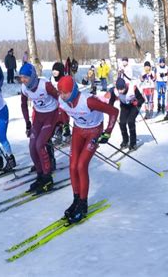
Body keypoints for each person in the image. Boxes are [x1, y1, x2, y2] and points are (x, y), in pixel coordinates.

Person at [57, 75, 118, 224]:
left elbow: (114, 112)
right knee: (72, 166)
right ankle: (76, 200)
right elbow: (63, 111)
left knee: (81, 165)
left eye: (64, 92)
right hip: (78, 130)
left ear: (72, 91)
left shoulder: (88, 101)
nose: (62, 96)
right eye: (60, 92)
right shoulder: (63, 101)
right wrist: (65, 125)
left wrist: (108, 132)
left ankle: (83, 205)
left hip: (94, 131)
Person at [19, 63, 59, 193]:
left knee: (40, 145)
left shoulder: (44, 84)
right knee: (32, 147)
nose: (23, 80)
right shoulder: (24, 88)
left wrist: (62, 118)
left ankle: (48, 178)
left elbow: (59, 97)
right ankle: (40, 175)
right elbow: (23, 105)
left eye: (26, 77)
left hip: (51, 115)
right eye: (21, 77)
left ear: (33, 76)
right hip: (38, 118)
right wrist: (27, 123)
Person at [108, 78, 144, 150]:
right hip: (124, 106)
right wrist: (110, 110)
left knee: (130, 121)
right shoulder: (115, 91)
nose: (121, 91)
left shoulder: (133, 88)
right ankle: (125, 141)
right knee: (122, 123)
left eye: (122, 89)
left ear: (125, 86)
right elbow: (111, 101)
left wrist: (137, 102)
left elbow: (142, 99)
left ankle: (133, 143)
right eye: (119, 89)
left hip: (134, 106)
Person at [51, 62, 71, 145]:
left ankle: (67, 132)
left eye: (56, 72)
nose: (55, 75)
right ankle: (58, 134)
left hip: (64, 103)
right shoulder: (52, 79)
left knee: (62, 114)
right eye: (53, 72)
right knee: (54, 118)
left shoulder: (65, 80)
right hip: (54, 102)